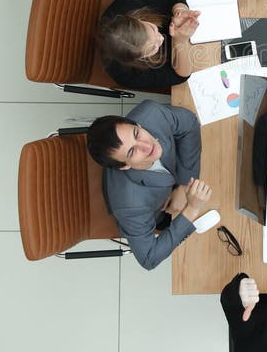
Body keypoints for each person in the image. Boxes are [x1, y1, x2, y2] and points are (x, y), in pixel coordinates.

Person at [86, 100, 212, 270]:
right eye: (132, 151)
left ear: (137, 124)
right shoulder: (130, 207)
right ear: (125, 166)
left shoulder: (151, 114)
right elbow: (149, 259)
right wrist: (191, 210)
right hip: (158, 211)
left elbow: (189, 123)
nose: (146, 146)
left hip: (175, 182)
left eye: (137, 134)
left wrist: (184, 185)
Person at [97, 0, 200, 90]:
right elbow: (180, 76)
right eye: (154, 47)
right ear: (140, 58)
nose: (161, 38)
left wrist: (179, 11)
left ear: (138, 19)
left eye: (153, 28)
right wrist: (180, 42)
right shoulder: (129, 76)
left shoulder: (127, 5)